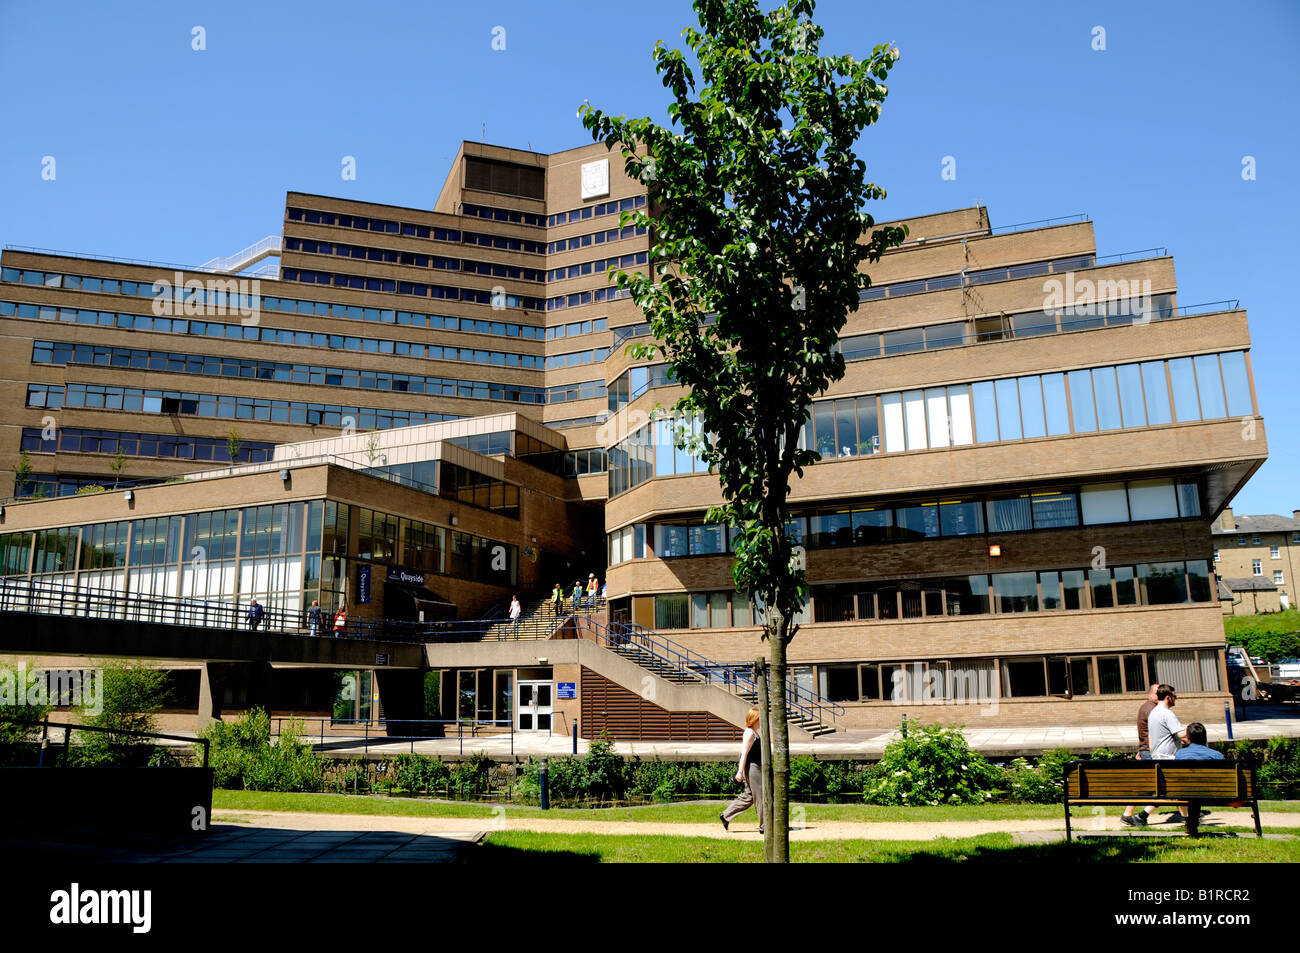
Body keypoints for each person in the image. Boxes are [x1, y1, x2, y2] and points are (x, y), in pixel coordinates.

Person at [1122, 682, 1161, 827]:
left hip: (1146, 750)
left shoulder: (1147, 707)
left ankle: (1128, 814)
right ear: (1150, 694)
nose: (1161, 695)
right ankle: (1140, 815)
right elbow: (1154, 733)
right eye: (1158, 693)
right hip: (1151, 751)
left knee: (1146, 785)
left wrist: (1142, 748)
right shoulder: (1152, 710)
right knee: (1161, 786)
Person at [720, 708, 764, 834]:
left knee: (749, 796)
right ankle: (764, 825)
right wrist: (740, 772)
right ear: (755, 719)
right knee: (760, 795)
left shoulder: (754, 732)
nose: (761, 720)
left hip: (755, 767)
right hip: (752, 768)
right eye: (759, 718)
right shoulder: (749, 733)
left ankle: (726, 816)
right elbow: (743, 754)